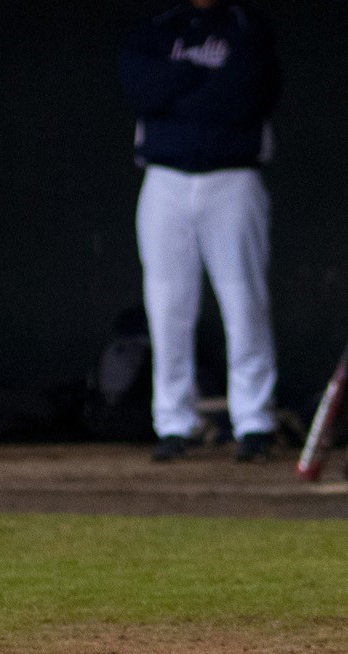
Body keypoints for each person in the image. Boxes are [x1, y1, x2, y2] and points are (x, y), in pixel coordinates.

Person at [117, 0, 281, 462]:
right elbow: (140, 88)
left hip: (232, 178)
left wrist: (178, 88)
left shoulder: (246, 25)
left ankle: (254, 420)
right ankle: (174, 421)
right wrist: (199, 80)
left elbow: (245, 95)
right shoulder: (157, 25)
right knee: (167, 306)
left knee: (243, 301)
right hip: (164, 179)